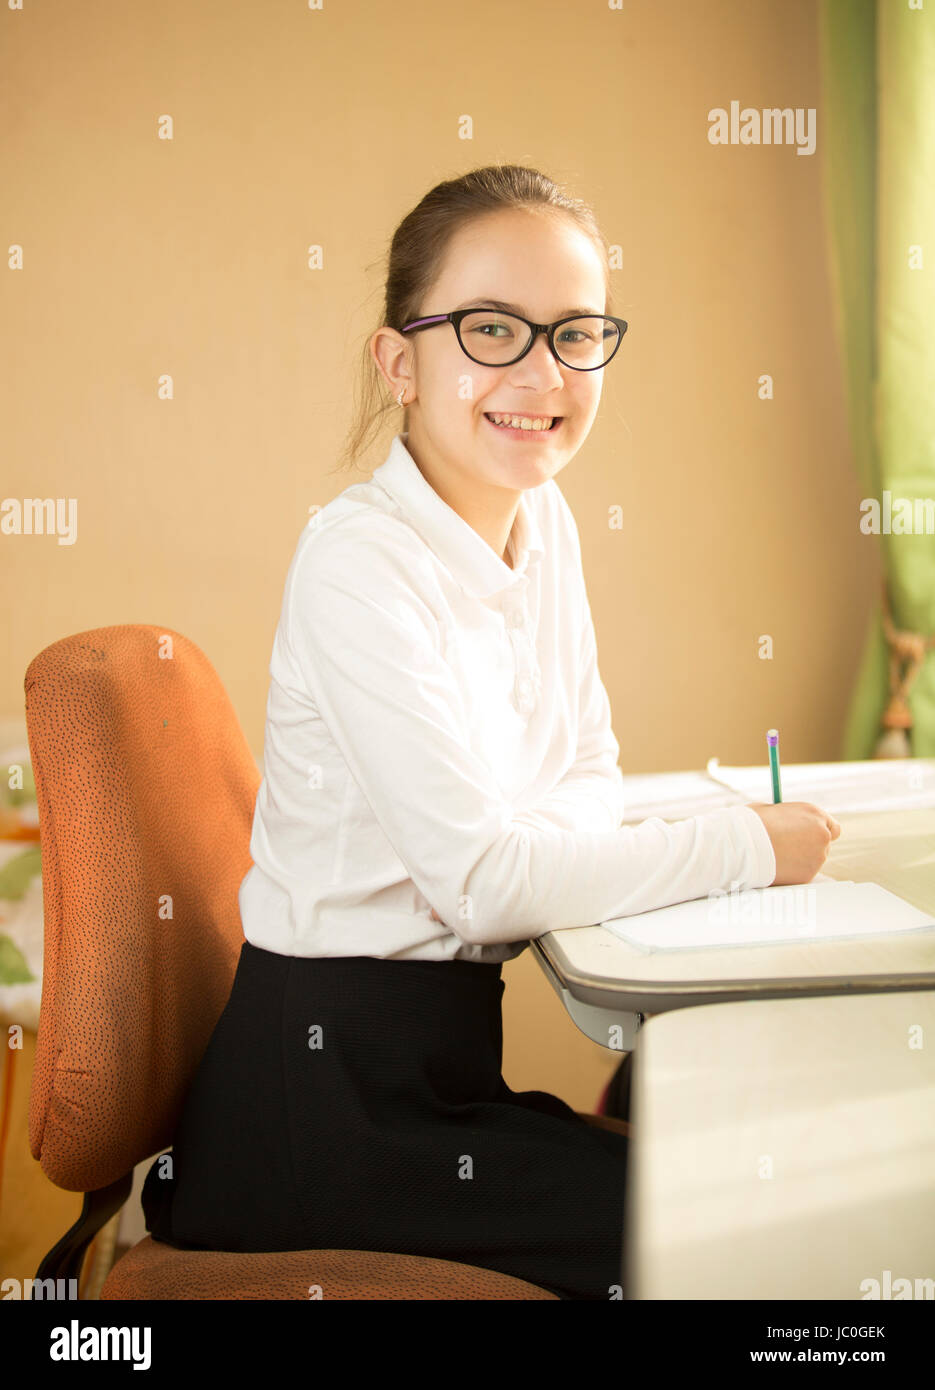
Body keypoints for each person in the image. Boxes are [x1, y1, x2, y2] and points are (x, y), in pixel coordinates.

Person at [141, 163, 841, 1300]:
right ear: (398, 360)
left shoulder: (543, 518)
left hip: (439, 1078)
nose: (541, 373)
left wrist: (528, 853)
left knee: (747, 1186)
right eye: (490, 329)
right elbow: (482, 884)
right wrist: (747, 845)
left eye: (574, 334)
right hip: (323, 1108)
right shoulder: (358, 562)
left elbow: (586, 772)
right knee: (737, 1241)